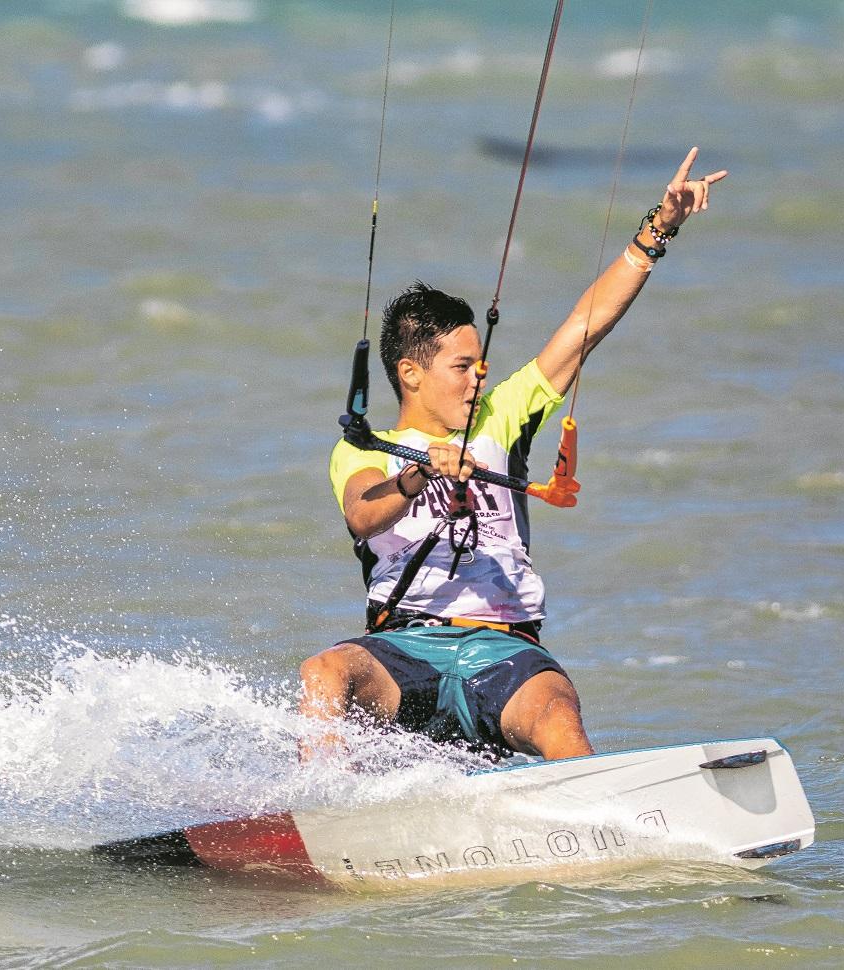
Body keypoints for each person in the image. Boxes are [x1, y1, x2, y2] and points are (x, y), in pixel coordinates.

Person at [301, 147, 727, 762]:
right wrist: (421, 473)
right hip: (404, 651)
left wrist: (657, 229)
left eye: (481, 364)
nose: (478, 377)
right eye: (461, 366)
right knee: (325, 673)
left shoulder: (504, 415)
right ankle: (319, 812)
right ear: (411, 374)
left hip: (505, 655)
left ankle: (600, 824)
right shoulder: (362, 448)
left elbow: (586, 324)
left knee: (557, 714)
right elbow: (363, 512)